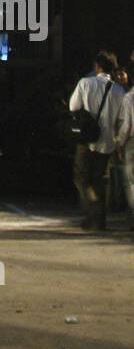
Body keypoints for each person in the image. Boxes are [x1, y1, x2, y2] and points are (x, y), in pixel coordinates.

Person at [69, 52, 126, 231]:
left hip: (86, 139)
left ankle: (92, 208)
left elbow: (73, 106)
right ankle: (98, 221)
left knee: (81, 178)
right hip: (107, 142)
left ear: (97, 67)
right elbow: (121, 119)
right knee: (99, 180)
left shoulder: (86, 83)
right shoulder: (119, 90)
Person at [115, 81, 134, 230]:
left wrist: (120, 143)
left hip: (132, 143)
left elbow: (126, 126)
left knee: (132, 183)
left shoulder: (129, 97)